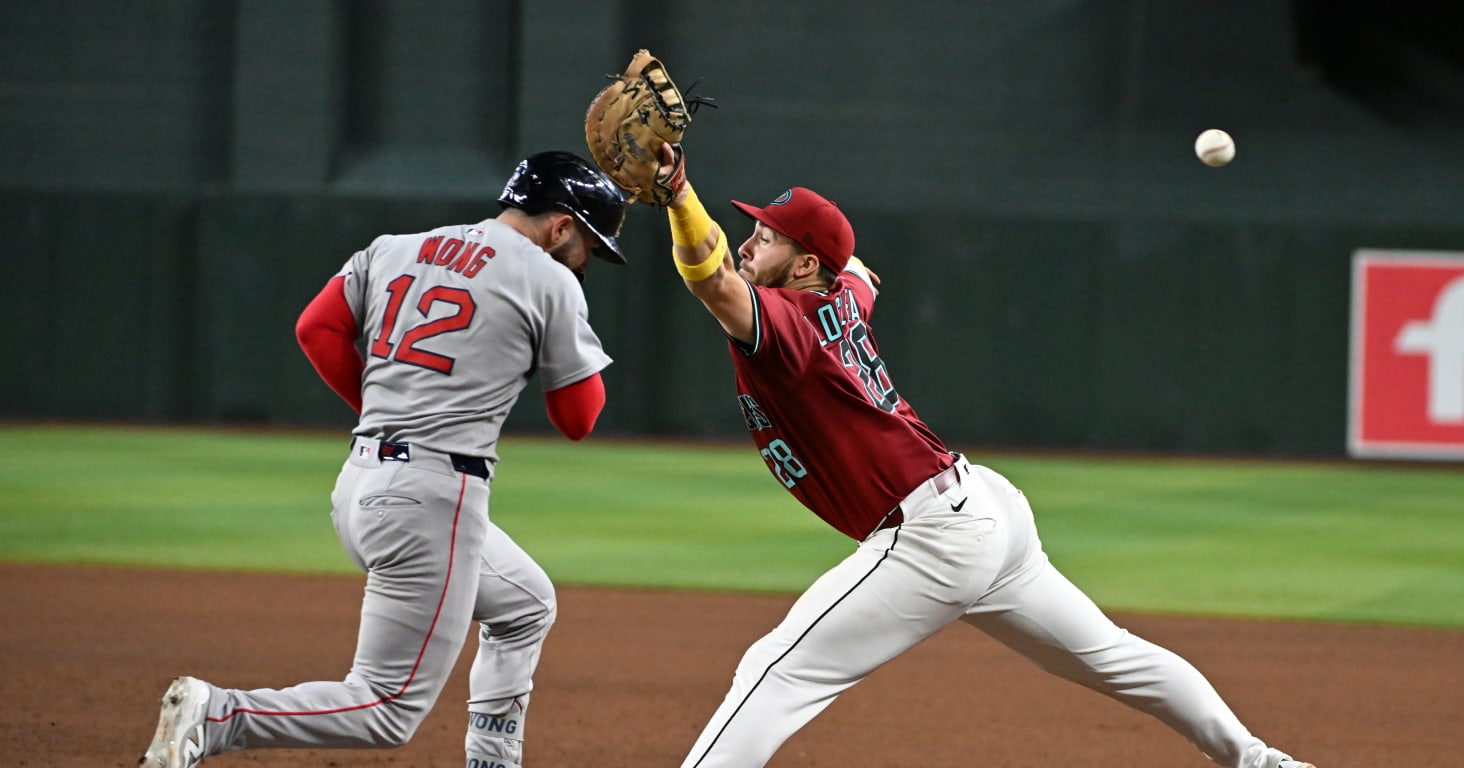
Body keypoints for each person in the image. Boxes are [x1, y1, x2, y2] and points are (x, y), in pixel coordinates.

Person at [655, 146, 1318, 768]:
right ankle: (1257, 760)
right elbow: (860, 279)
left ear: (803, 267)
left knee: (777, 671)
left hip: (932, 536)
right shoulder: (839, 299)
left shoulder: (790, 326)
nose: (748, 242)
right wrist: (851, 267)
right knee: (1112, 654)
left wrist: (680, 194)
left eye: (766, 236)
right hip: (986, 512)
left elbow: (713, 283)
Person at [139, 150, 626, 768]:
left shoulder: (395, 246)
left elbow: (315, 328)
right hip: (430, 500)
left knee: (526, 603)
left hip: (360, 483)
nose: (588, 261)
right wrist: (568, 307)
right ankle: (218, 715)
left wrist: (386, 412)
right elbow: (579, 418)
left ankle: (492, 760)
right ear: (560, 227)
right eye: (588, 245)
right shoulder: (550, 279)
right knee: (385, 709)